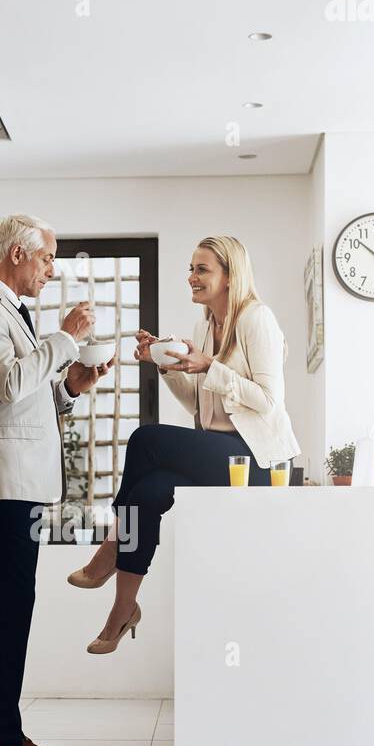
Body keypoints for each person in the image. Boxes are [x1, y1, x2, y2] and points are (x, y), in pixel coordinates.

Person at [68, 235, 300, 653]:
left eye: (202, 269)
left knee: (145, 438)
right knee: (147, 492)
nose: (191, 277)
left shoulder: (255, 318)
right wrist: (167, 365)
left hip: (257, 461)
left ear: (230, 276)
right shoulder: (204, 326)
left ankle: (112, 543)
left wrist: (209, 364)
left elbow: (268, 401)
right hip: (218, 452)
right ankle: (124, 609)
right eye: (190, 269)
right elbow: (200, 402)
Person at [0, 213, 113, 746]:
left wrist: (70, 387)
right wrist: (65, 338)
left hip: (20, 483)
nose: (51, 268)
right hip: (0, 484)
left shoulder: (8, 311)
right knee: (7, 609)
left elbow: (24, 397)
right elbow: (12, 383)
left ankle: (8, 735)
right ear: (17, 254)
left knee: (14, 609)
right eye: (46, 257)